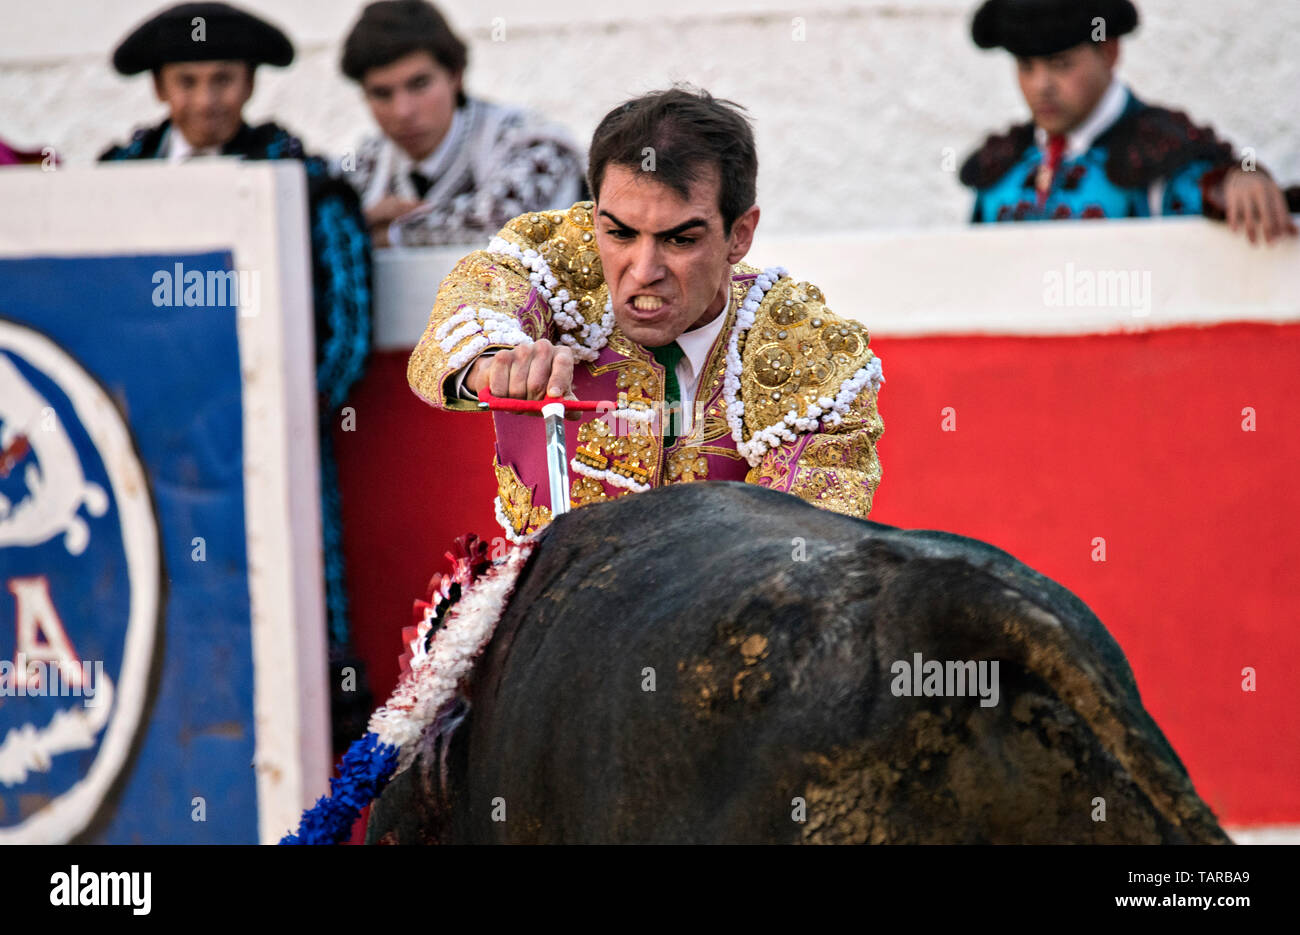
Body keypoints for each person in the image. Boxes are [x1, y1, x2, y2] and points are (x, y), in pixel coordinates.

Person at [407, 88, 884, 540]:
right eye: (619, 234)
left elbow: (794, 550)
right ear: (595, 217)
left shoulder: (809, 354)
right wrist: (494, 362)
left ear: (740, 234)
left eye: (680, 240)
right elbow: (474, 306)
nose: (643, 271)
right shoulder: (553, 260)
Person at [100, 1, 373, 748]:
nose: (206, 99)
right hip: (144, 445)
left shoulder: (308, 183)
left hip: (265, 442)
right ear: (160, 89)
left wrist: (283, 421)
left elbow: (345, 331)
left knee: (289, 606)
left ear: (250, 84)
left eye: (223, 79)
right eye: (188, 80)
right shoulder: (111, 184)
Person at [960, 0, 1296, 244]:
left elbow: (1230, 186)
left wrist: (1244, 178)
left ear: (1108, 52)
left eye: (1060, 64)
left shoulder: (1165, 152)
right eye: (1026, 67)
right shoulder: (1000, 167)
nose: (1040, 86)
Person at [339, 0, 586, 247]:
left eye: (419, 84)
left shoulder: (531, 143)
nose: (403, 111)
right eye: (382, 93)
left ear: (455, 76)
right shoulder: (367, 165)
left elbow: (508, 227)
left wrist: (388, 231)